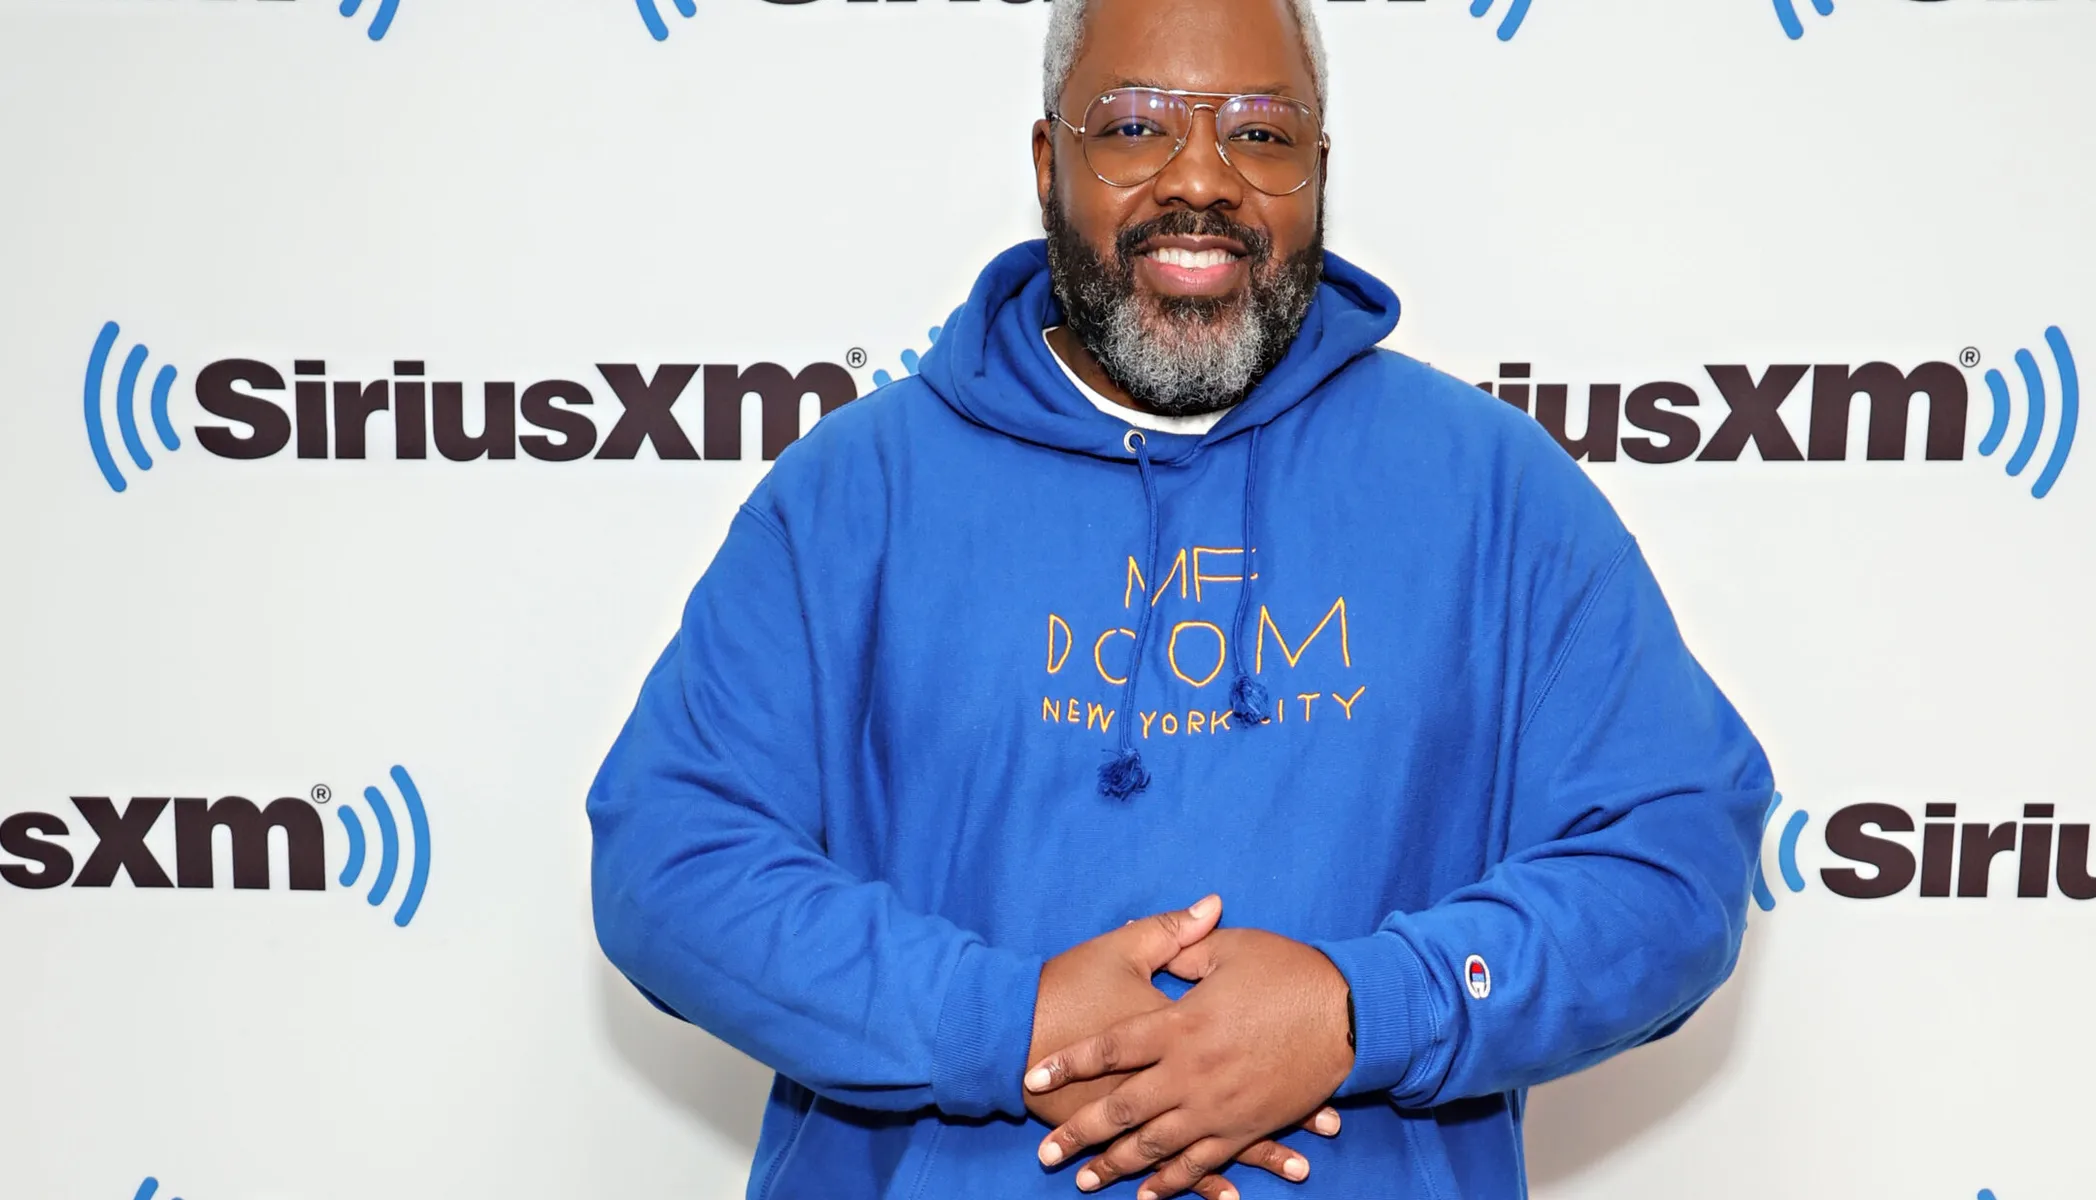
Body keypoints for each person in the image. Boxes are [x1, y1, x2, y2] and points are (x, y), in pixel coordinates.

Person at [585, 0, 1773, 1195]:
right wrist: (1004, 1021)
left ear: (1320, 171)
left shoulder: (1494, 492)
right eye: (1135, 126)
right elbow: (670, 861)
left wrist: (1364, 1010)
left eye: (1260, 133)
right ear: (1048, 162)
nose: (1200, 180)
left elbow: (1672, 864)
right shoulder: (855, 493)